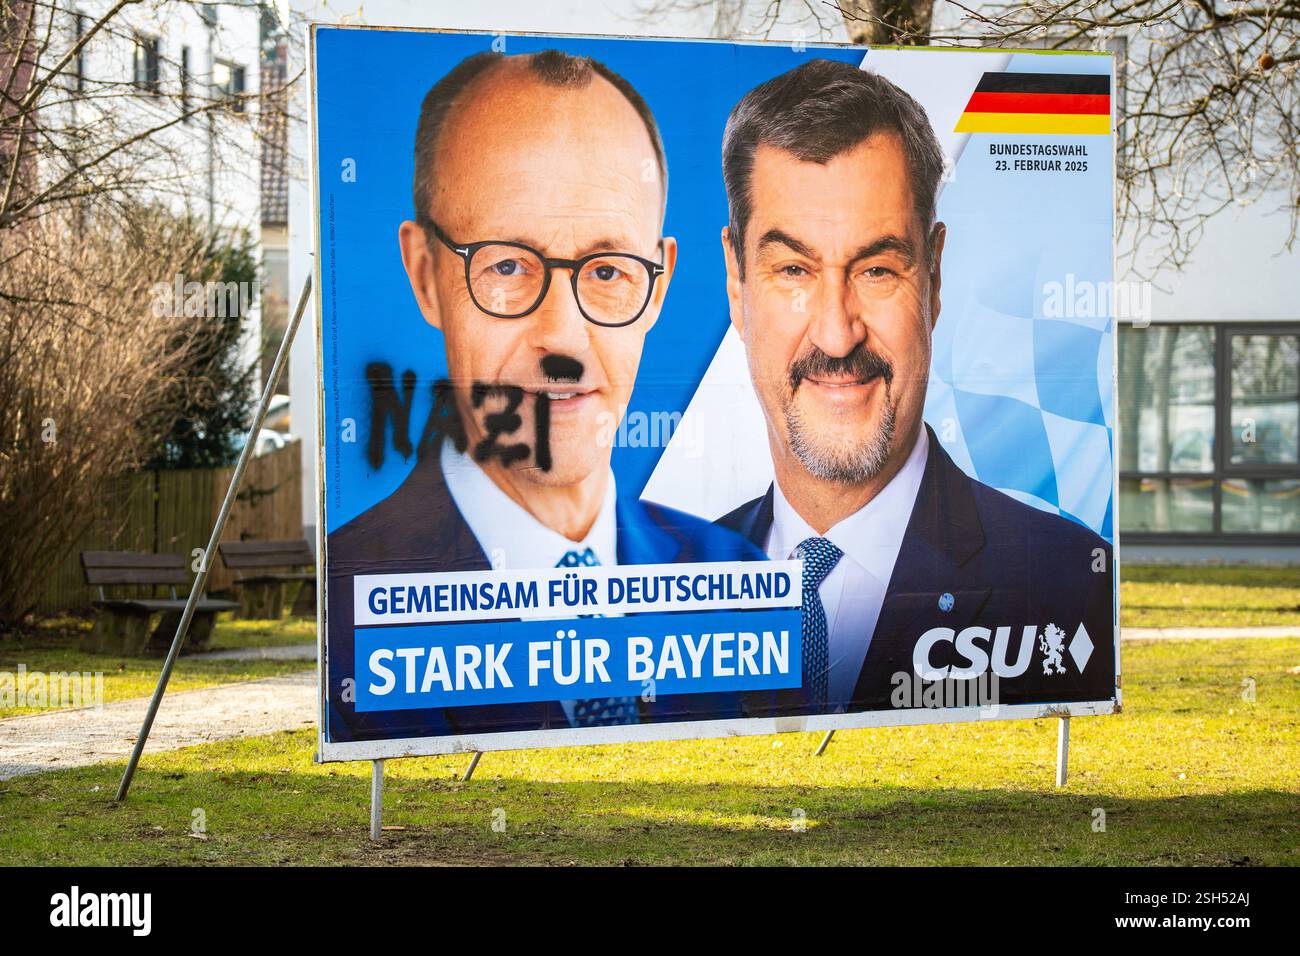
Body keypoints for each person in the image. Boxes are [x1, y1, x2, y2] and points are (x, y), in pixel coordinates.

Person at [327, 49, 760, 743]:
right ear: (425, 274)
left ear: (660, 286)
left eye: (609, 270)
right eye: (506, 264)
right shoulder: (347, 601)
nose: (562, 337)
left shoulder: (743, 586)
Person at [715, 59, 1114, 716]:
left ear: (932, 276)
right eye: (793, 268)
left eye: (876, 270)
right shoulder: (670, 588)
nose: (838, 336)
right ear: (737, 282)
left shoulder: (1072, 583)